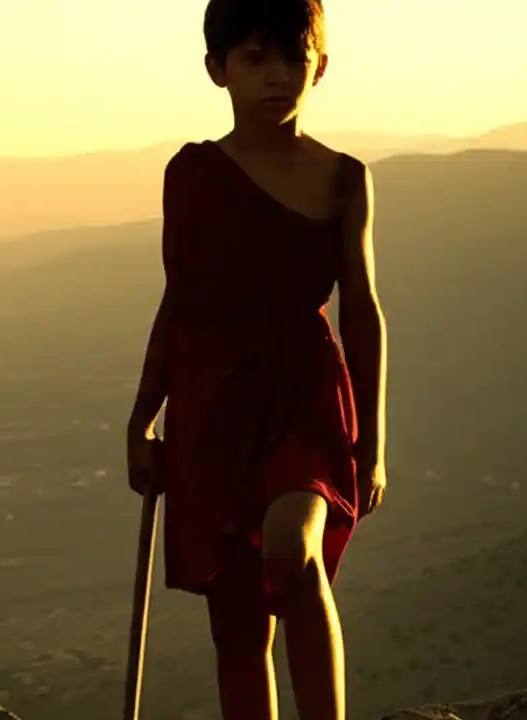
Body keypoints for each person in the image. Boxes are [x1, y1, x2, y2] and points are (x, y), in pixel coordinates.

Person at [125, 1, 388, 719]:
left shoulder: (343, 178)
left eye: (294, 58)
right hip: (214, 400)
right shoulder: (193, 175)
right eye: (255, 59)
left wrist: (373, 447)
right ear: (218, 70)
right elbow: (179, 301)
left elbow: (362, 308)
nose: (278, 76)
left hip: (305, 393)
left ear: (320, 66)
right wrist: (141, 420)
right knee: (236, 618)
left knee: (288, 546)